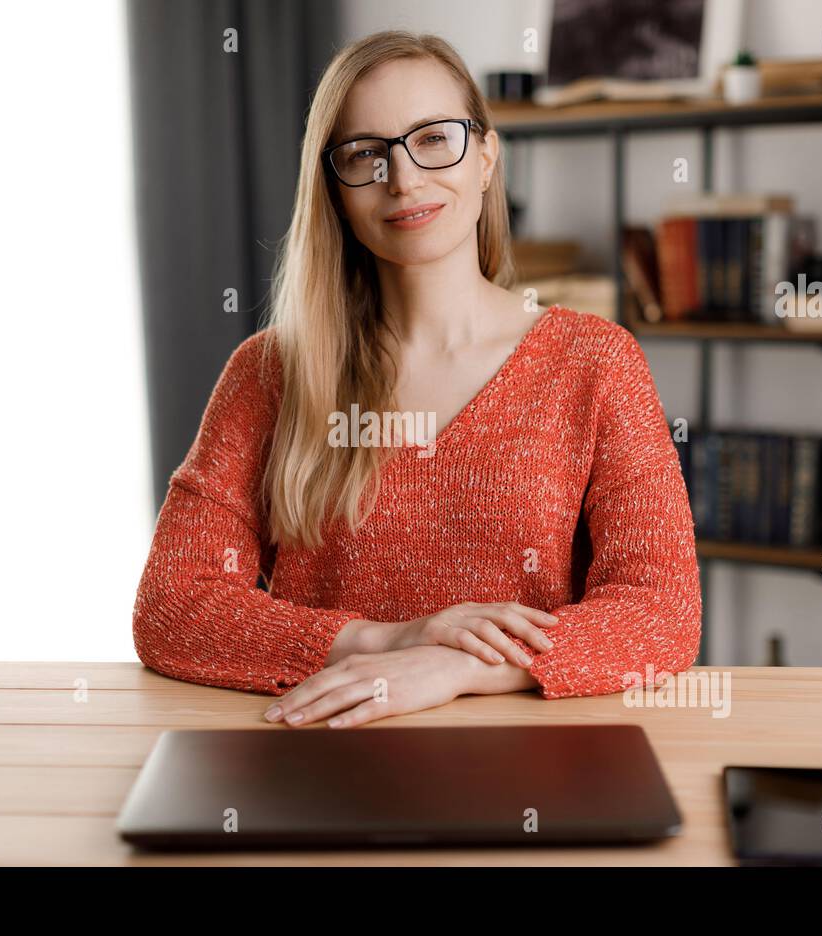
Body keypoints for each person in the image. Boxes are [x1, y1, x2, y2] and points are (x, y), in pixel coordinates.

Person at [132, 30, 700, 729]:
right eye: (367, 153)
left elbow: (661, 611)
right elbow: (173, 603)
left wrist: (458, 667)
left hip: (533, 763)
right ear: (333, 188)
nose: (403, 179)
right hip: (321, 752)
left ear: (487, 157)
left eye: (434, 138)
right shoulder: (269, 372)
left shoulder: (596, 362)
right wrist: (382, 641)